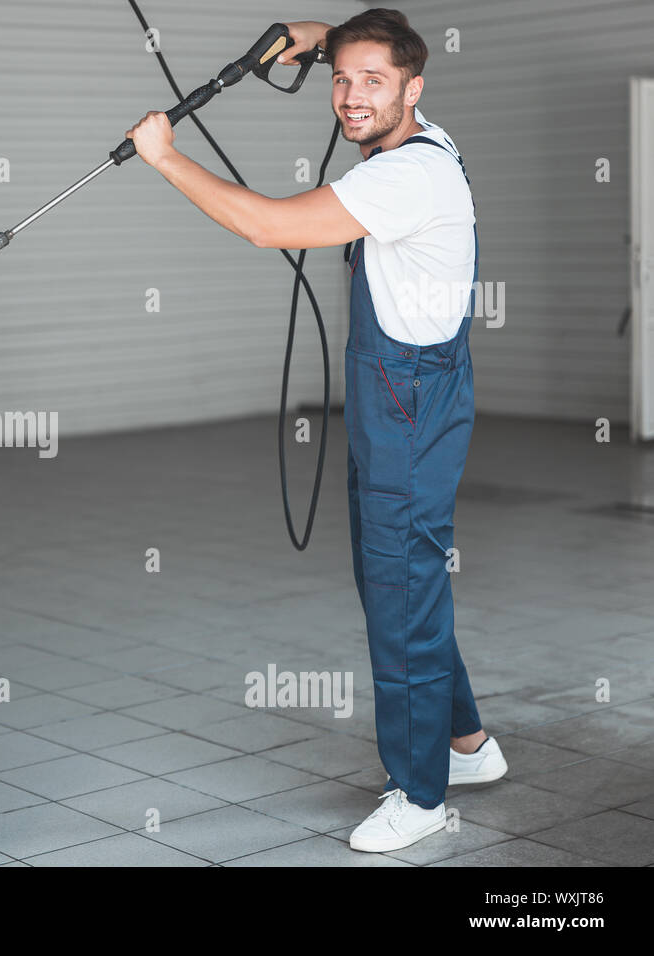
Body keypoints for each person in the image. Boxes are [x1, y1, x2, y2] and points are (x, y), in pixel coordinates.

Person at [125, 8, 508, 852]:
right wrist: (322, 36)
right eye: (341, 78)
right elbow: (369, 50)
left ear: (415, 88)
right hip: (414, 387)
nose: (349, 96)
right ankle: (467, 743)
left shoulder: (401, 178)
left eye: (373, 81)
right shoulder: (423, 139)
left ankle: (419, 793)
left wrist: (166, 157)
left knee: (400, 584)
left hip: (407, 395)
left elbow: (267, 226)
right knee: (401, 579)